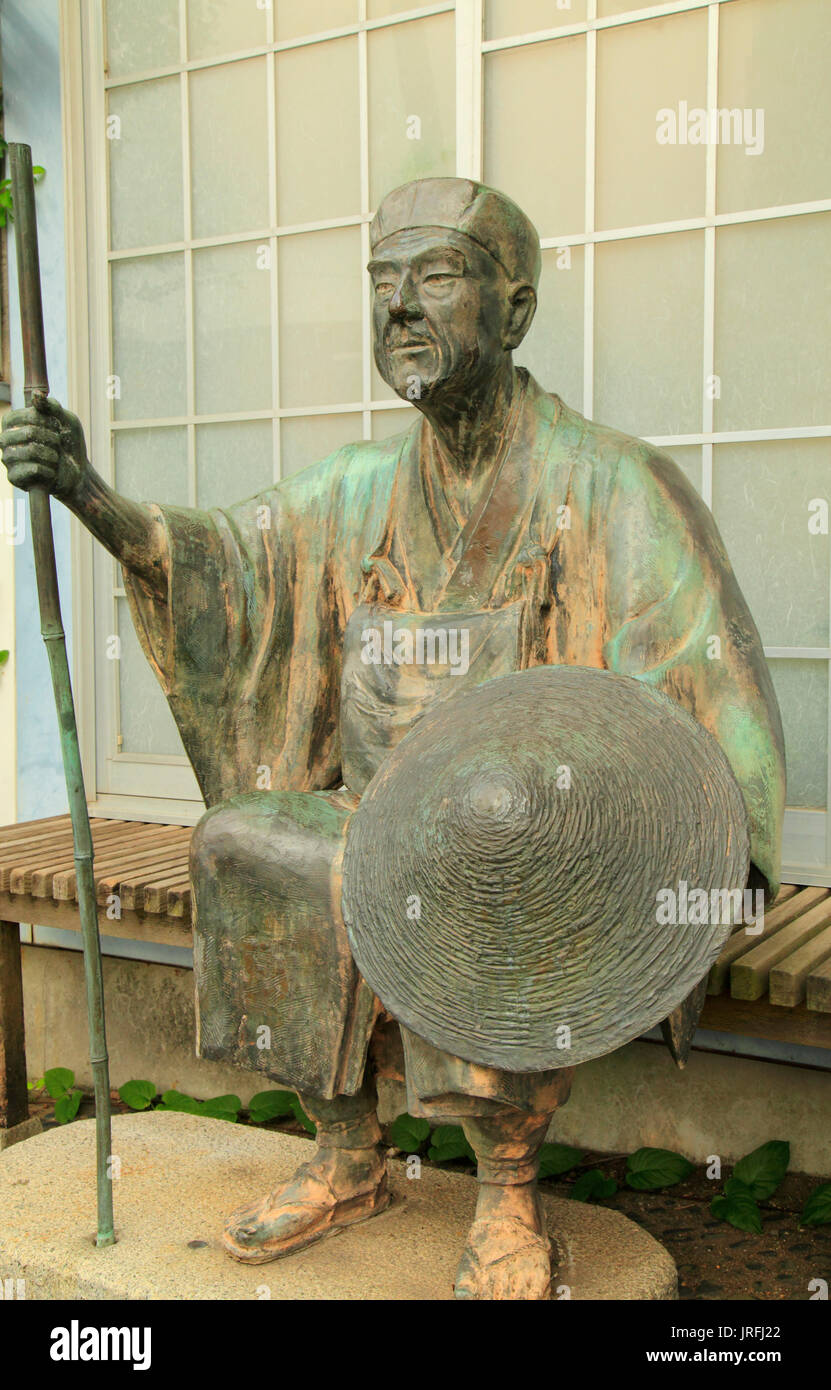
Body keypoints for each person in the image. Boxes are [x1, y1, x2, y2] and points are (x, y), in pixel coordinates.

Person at [0, 177, 785, 1299]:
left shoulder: (615, 484)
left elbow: (706, 707)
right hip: (379, 815)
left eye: (438, 276)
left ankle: (508, 1192)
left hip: (547, 837)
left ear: (514, 312)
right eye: (382, 282)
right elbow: (225, 564)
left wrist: (685, 858)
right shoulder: (364, 485)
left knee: (477, 839)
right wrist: (84, 490)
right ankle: (347, 1150)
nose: (400, 306)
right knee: (248, 838)